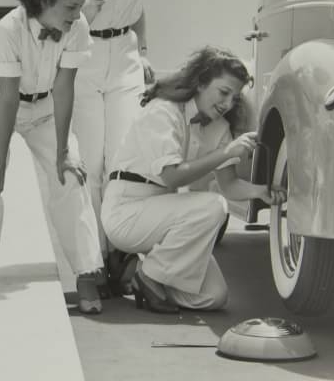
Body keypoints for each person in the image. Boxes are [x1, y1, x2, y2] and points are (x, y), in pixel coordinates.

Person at [101, 47, 286, 313]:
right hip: (126, 211)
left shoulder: (219, 128)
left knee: (213, 296)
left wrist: (260, 191)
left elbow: (229, 186)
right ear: (200, 83)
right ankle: (149, 277)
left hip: (164, 215)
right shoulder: (163, 112)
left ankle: (138, 271)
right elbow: (172, 175)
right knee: (213, 206)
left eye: (235, 98)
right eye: (223, 92)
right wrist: (225, 152)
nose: (228, 104)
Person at [0, 0, 105, 314]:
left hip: (46, 108)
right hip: (4, 105)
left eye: (80, 6)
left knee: (72, 177)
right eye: (71, 6)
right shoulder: (8, 30)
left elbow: (64, 88)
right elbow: (9, 96)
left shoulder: (77, 27)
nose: (77, 14)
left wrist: (63, 152)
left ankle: (86, 272)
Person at [56, 0, 154, 280]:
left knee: (125, 160)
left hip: (126, 57)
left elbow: (141, 5)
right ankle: (93, 259)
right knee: (92, 162)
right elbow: (58, 21)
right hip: (86, 58)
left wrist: (145, 52)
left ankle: (123, 253)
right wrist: (88, 11)